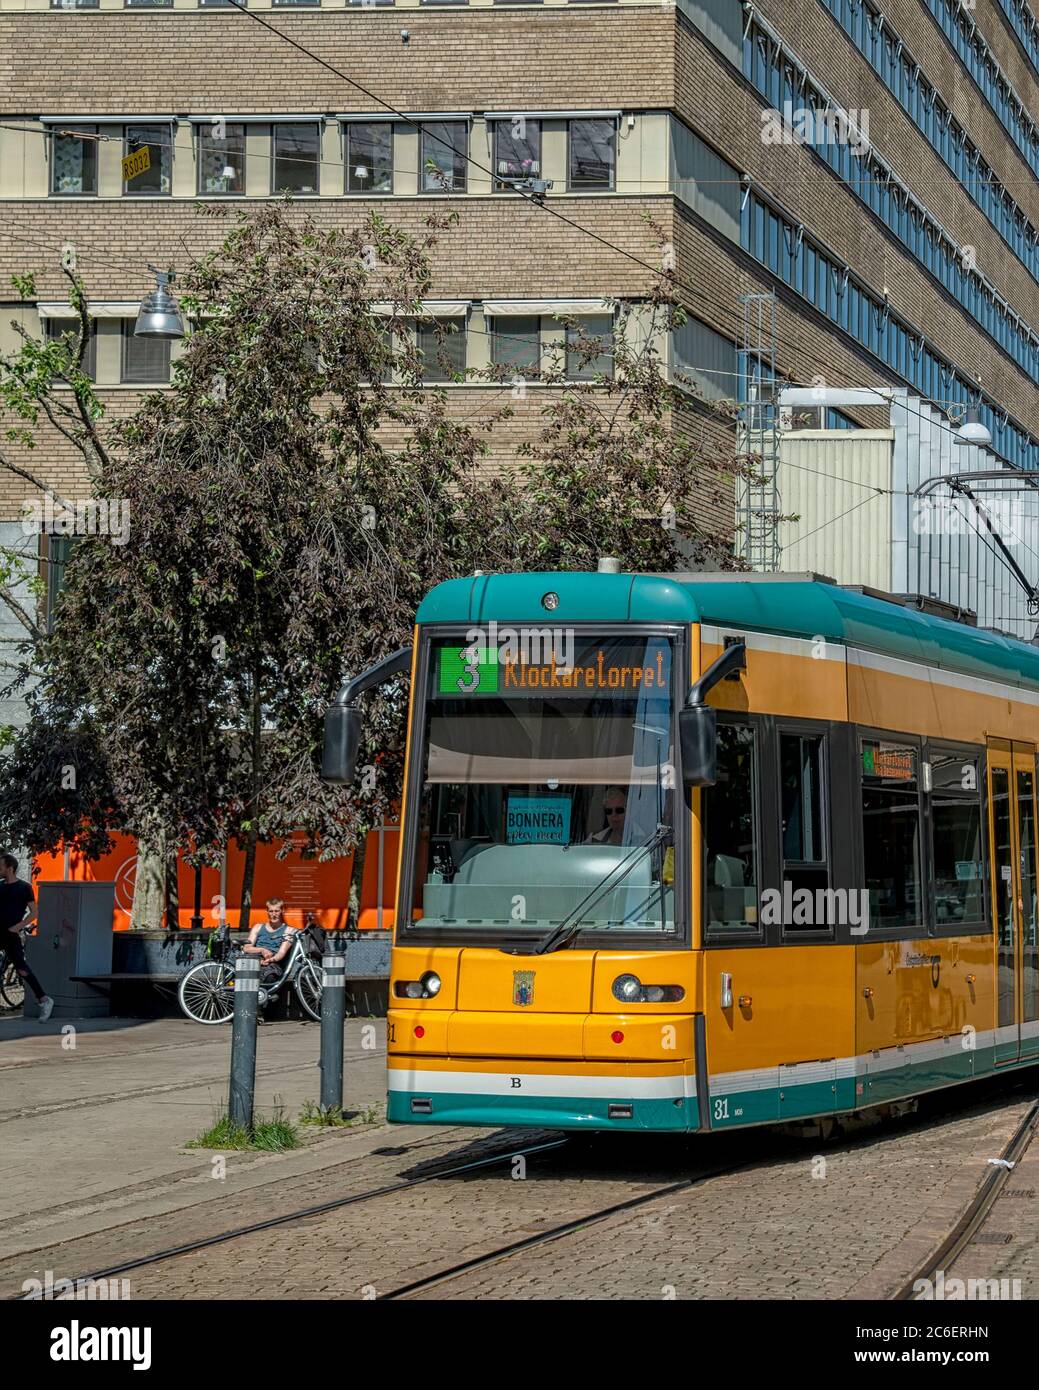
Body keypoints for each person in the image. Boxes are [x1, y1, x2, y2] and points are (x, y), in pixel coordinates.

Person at [0, 854, 53, 1022]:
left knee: (22, 969)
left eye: (0, 866)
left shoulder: (24, 887)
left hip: (11, 933)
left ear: (10, 868)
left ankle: (44, 1000)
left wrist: (18, 927)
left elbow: (34, 913)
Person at [242, 899, 297, 981]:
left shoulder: (288, 930)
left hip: (273, 963)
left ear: (282, 911)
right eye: (271, 911)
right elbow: (246, 948)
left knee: (269, 975)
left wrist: (269, 960)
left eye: (276, 911)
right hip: (254, 960)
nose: (274, 914)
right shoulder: (258, 927)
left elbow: (281, 953)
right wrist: (262, 950)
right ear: (267, 911)